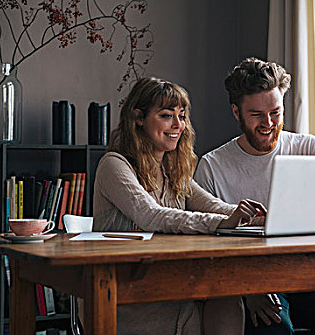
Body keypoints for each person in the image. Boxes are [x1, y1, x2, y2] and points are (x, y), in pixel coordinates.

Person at [194, 57, 315, 334]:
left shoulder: (309, 148)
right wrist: (247, 290)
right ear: (236, 112)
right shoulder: (212, 166)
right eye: (256, 115)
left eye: (275, 112)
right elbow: (202, 247)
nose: (268, 123)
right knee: (274, 330)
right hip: (251, 285)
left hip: (309, 281)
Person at [93, 77, 266, 335]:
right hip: (126, 299)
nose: (178, 125)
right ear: (139, 118)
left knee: (229, 298)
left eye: (182, 116)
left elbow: (214, 206)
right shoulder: (114, 165)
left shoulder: (174, 171)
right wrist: (221, 222)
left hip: (178, 291)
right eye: (166, 115)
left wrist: (260, 216)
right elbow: (150, 215)